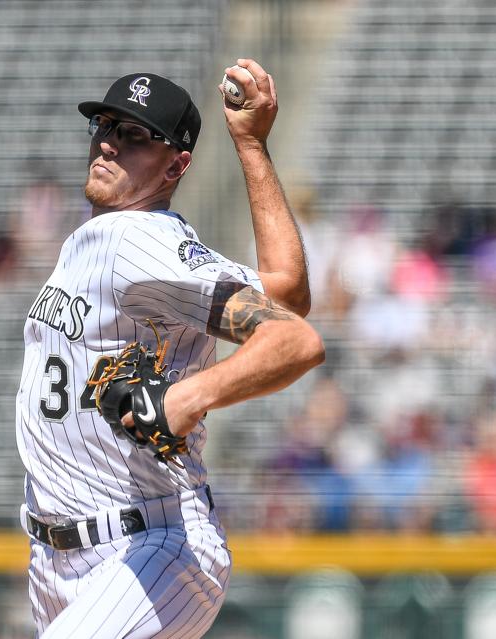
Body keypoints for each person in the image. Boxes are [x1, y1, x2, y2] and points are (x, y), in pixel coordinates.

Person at [16, 60, 325, 638]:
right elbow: (286, 290)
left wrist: (189, 395)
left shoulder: (136, 240)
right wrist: (252, 146)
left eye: (136, 136)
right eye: (105, 125)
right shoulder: (108, 240)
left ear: (176, 166)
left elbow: (293, 337)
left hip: (147, 549)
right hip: (60, 561)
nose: (109, 143)